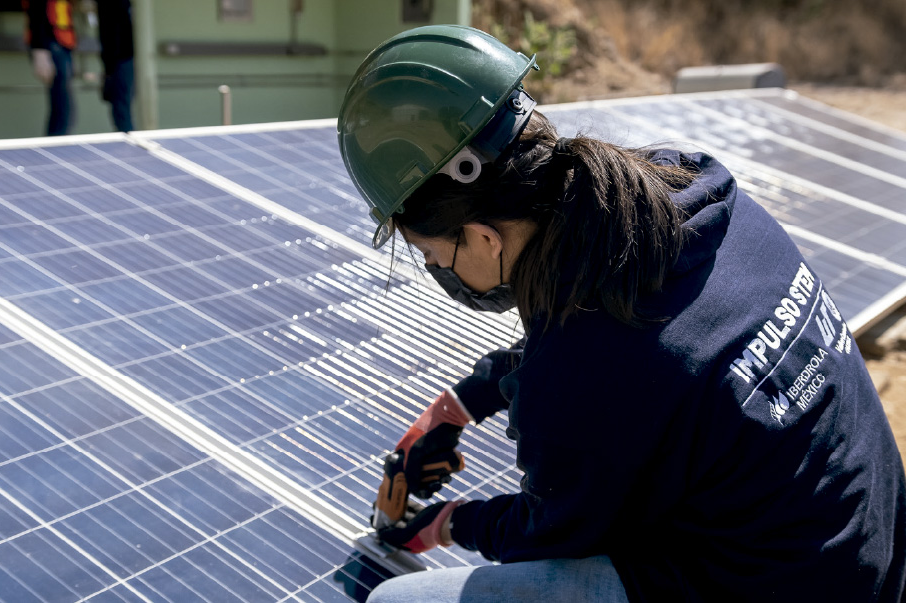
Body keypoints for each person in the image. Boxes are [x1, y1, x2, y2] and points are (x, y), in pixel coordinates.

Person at [337, 25, 906, 602]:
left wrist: (448, 523)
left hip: (790, 590)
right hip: (873, 543)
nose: (441, 271)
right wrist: (460, 406)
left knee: (395, 601)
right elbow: (633, 344)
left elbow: (549, 537)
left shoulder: (579, 381)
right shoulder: (688, 189)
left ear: (484, 238)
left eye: (436, 255)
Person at [24, 0, 77, 136]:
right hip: (51, 43)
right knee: (62, 106)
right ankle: (56, 147)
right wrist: (39, 48)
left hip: (63, 42)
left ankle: (59, 146)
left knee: (65, 106)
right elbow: (36, 8)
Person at [97, 0, 135, 133]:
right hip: (118, 59)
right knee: (120, 104)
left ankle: (128, 139)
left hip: (123, 58)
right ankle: (127, 138)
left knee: (122, 105)